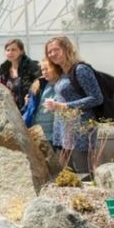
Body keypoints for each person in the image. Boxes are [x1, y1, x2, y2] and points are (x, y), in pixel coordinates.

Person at [44, 36, 104, 174]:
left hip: (80, 130)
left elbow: (96, 98)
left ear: (67, 49)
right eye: (49, 52)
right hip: (64, 129)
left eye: (56, 50)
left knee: (83, 172)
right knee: (69, 173)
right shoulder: (63, 73)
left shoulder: (80, 69)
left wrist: (65, 106)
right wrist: (55, 105)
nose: (52, 54)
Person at [22, 58, 62, 148]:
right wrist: (26, 104)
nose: (44, 72)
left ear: (56, 68)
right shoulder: (39, 84)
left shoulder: (63, 85)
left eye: (47, 69)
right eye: (42, 70)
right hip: (36, 132)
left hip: (52, 135)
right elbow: (30, 109)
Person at [0, 39, 41, 110]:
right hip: (11, 110)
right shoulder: (4, 71)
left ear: (21, 51)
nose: (10, 52)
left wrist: (31, 98)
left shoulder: (32, 68)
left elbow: (38, 87)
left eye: (13, 50)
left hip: (29, 108)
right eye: (8, 50)